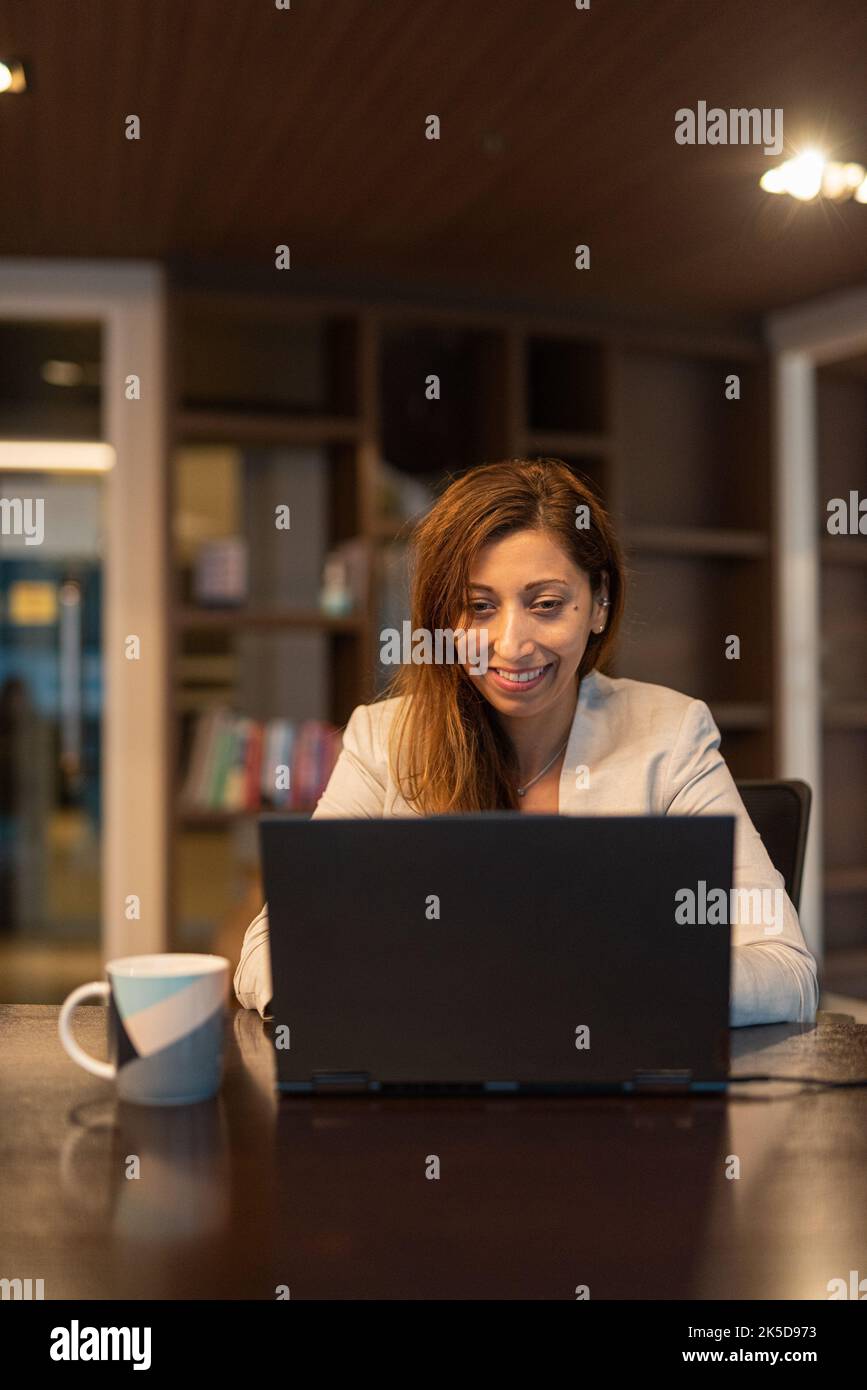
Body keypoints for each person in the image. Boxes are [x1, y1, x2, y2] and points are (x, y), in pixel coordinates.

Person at [234, 457, 819, 1028]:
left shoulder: (668, 735)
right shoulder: (384, 739)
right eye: (479, 607)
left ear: (598, 604)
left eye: (545, 605)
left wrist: (611, 985)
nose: (511, 644)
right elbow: (267, 951)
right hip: (434, 1102)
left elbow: (788, 972)